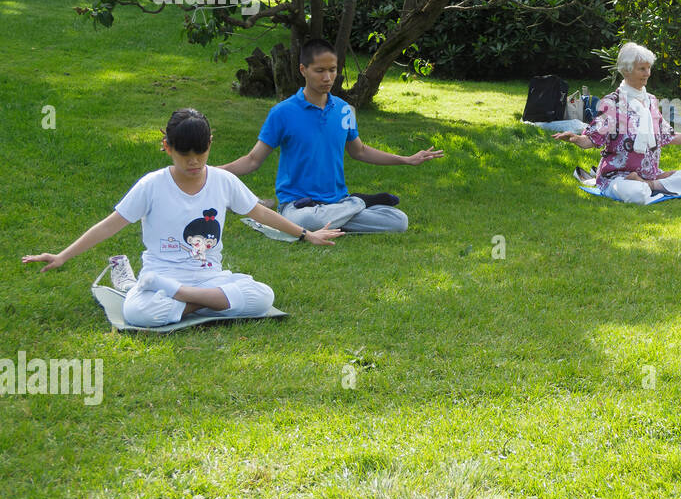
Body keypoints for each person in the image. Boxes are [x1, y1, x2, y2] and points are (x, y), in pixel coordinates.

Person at [22, 108, 342, 328]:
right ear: (167, 147)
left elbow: (259, 211)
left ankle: (188, 300)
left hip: (206, 279)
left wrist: (306, 234)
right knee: (136, 312)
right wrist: (62, 256)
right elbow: (109, 224)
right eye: (184, 155)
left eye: (200, 155)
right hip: (161, 274)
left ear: (209, 145)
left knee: (263, 297)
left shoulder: (223, 181)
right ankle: (204, 301)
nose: (194, 163)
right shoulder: (151, 185)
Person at [219, 39, 444, 233]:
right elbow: (253, 160)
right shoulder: (282, 113)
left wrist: (406, 160)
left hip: (338, 201)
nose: (328, 77)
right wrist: (211, 171)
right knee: (305, 220)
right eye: (320, 71)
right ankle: (359, 204)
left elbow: (360, 151)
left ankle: (339, 215)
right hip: (298, 206)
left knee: (398, 221)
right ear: (302, 70)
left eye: (333, 70)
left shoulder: (345, 109)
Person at [553, 42, 681, 204]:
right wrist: (574, 138)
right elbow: (590, 142)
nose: (648, 73)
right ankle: (644, 185)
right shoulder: (613, 103)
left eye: (649, 68)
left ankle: (649, 184)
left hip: (651, 175)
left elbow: (671, 136)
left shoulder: (651, 101)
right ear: (627, 71)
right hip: (618, 177)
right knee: (637, 193)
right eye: (642, 69)